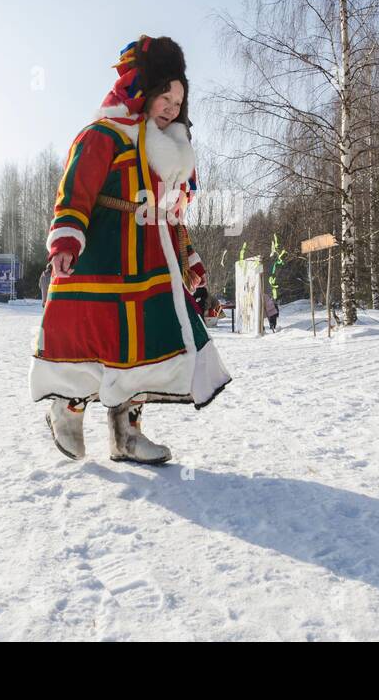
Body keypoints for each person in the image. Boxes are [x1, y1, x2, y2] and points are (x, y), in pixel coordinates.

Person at [29, 34, 232, 465]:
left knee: (148, 348)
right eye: (165, 96)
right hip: (100, 261)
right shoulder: (104, 135)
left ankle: (127, 434)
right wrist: (66, 237)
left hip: (151, 267)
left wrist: (189, 258)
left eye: (179, 103)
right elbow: (75, 189)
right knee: (89, 340)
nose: (172, 108)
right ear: (145, 90)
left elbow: (171, 215)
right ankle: (66, 408)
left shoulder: (166, 156)